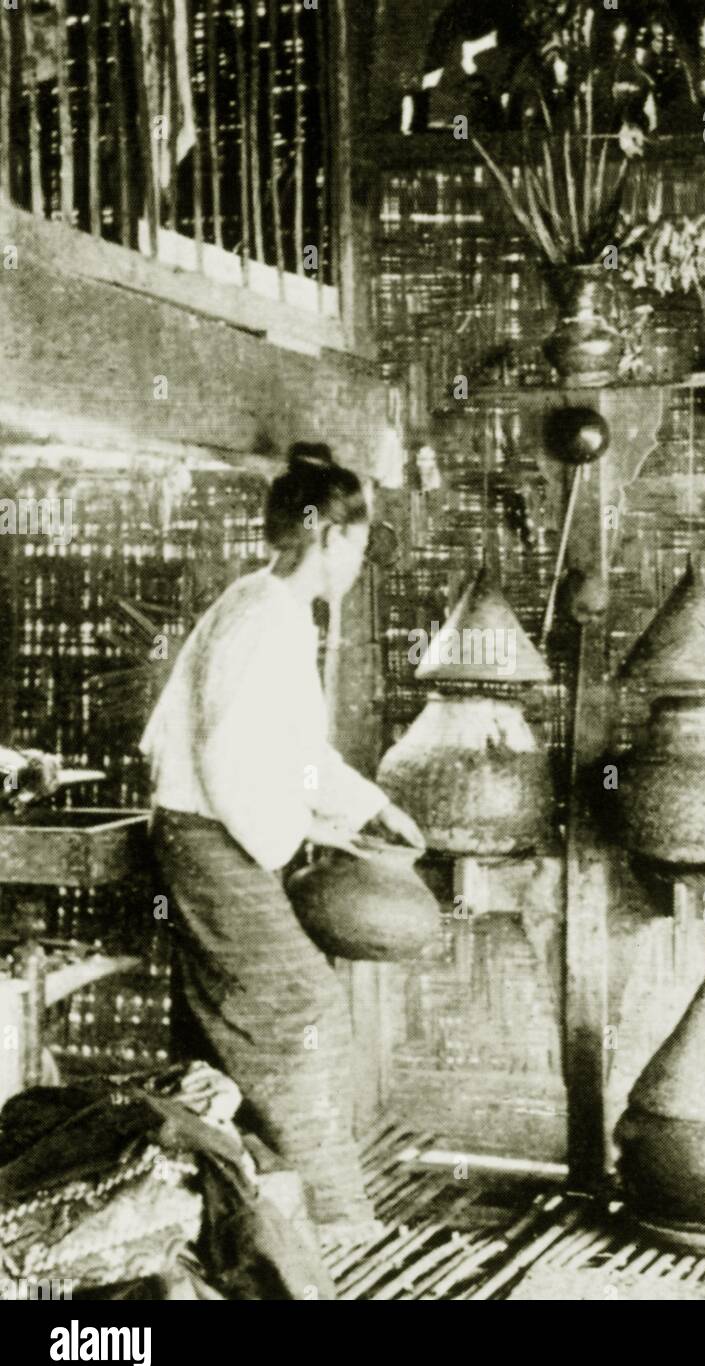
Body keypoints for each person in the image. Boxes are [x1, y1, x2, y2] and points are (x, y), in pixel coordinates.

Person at [141, 444, 424, 1243]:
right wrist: (293, 838)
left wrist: (368, 806)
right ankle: (329, 1216)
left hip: (217, 833)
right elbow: (232, 760)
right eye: (361, 546)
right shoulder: (263, 617)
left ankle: (232, 1214)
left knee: (220, 1024)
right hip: (209, 839)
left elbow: (293, 756)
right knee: (297, 1003)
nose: (361, 563)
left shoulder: (270, 608)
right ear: (330, 539)